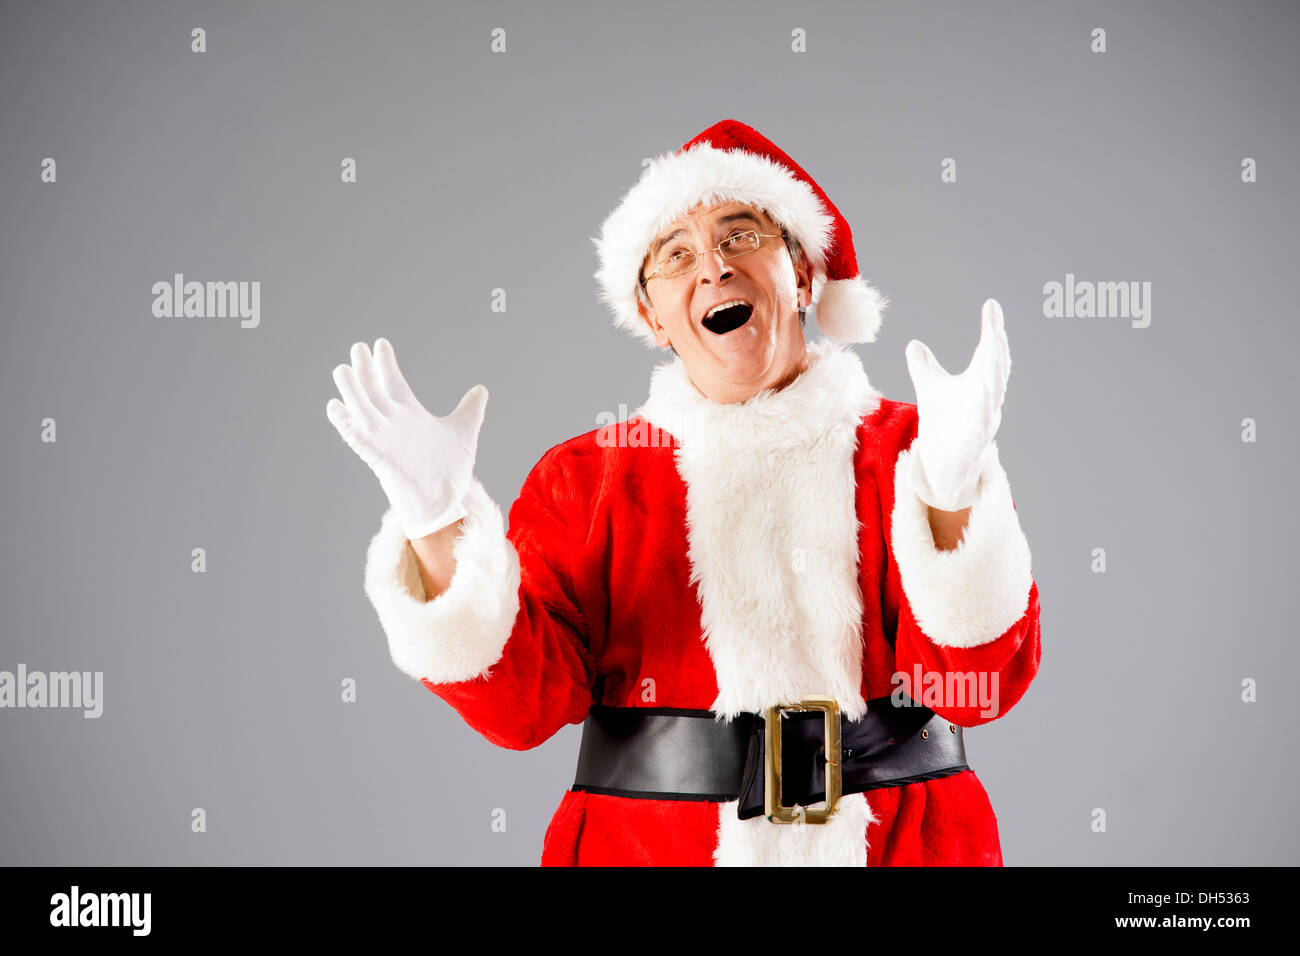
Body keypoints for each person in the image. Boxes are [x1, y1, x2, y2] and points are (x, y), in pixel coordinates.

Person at [326, 119, 1041, 866]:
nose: (714, 269)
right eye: (676, 255)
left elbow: (979, 686)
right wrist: (437, 521)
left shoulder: (916, 451)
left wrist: (950, 494)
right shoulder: (587, 479)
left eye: (741, 237)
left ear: (802, 275)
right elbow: (520, 710)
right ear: (652, 316)